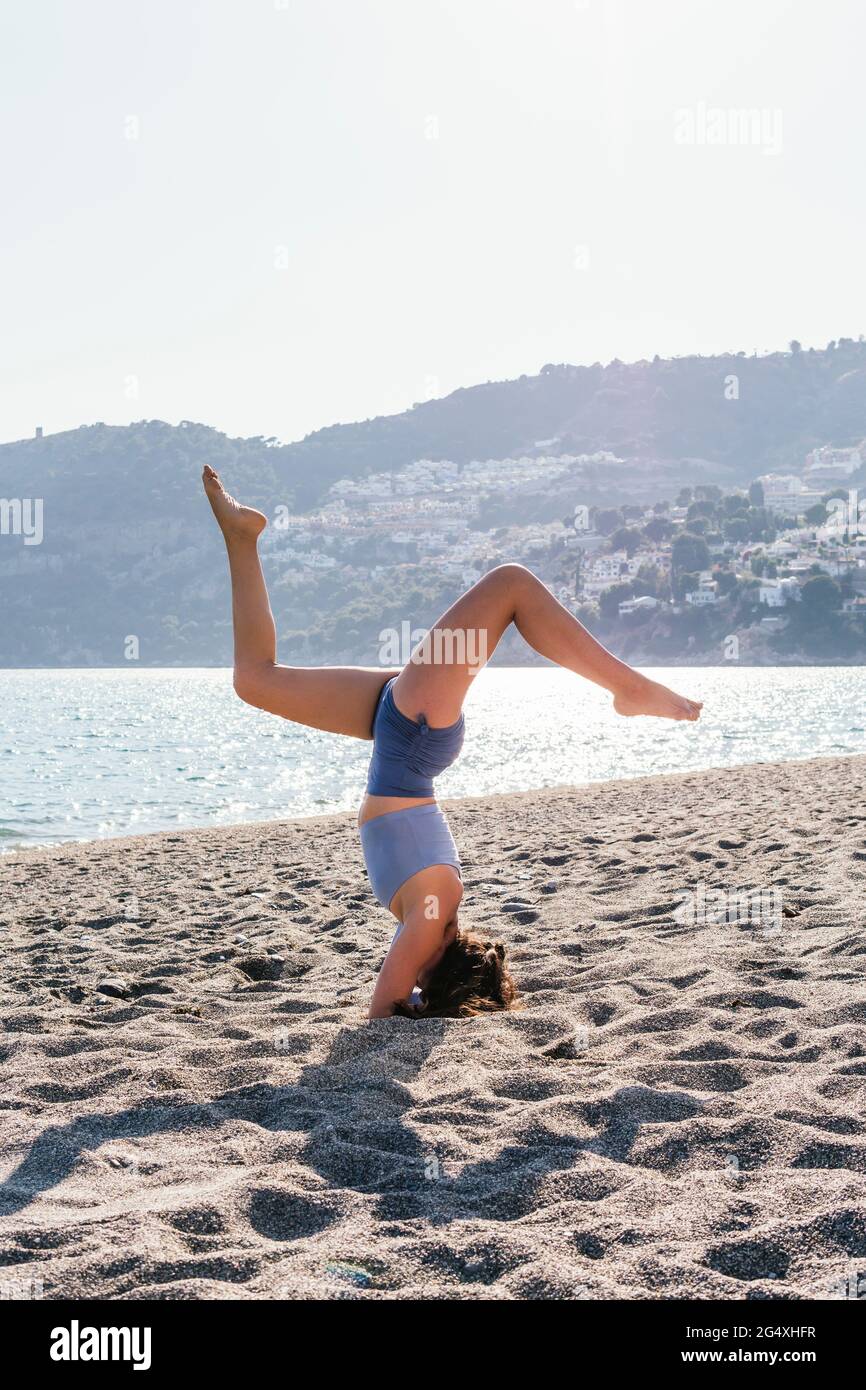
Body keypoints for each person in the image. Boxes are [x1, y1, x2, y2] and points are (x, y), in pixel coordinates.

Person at [203, 465, 702, 1020]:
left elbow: (403, 998)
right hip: (410, 736)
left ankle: (241, 537)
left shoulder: (434, 911)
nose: (407, 974)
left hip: (401, 734)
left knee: (254, 680)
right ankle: (629, 688)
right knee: (511, 586)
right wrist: (420, 1003)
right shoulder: (430, 918)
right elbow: (383, 1011)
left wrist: (430, 1005)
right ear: (438, 974)